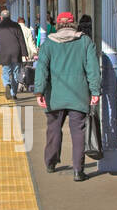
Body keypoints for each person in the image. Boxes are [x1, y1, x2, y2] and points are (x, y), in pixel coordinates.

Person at [36, 11, 101, 182]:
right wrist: (95, 91)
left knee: (53, 129)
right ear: (73, 23)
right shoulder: (85, 41)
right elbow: (93, 69)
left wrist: (39, 91)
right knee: (78, 132)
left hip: (55, 95)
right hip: (78, 95)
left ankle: (51, 162)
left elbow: (41, 69)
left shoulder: (48, 43)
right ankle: (78, 171)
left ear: (58, 24)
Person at [0, 8, 28, 100]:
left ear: (1, 17)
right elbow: (21, 40)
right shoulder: (16, 25)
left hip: (4, 52)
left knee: (6, 71)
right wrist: (25, 53)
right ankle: (13, 93)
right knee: (16, 73)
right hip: (16, 52)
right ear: (10, 16)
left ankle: (7, 84)